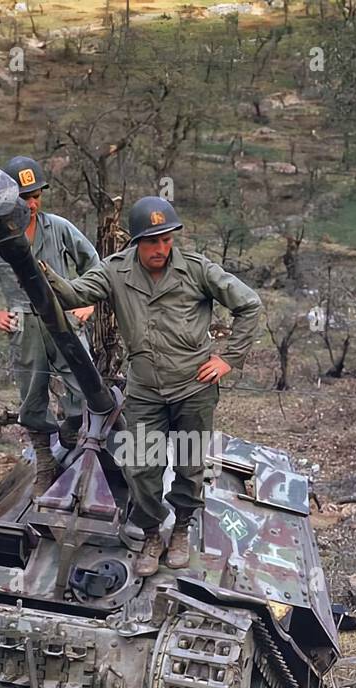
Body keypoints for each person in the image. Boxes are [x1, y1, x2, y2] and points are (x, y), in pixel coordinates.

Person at [42, 195, 262, 576]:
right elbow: (75, 294)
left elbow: (249, 304)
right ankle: (151, 533)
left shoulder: (197, 270)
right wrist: (41, 274)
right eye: (152, 241)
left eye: (167, 239)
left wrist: (228, 359)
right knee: (141, 467)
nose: (161, 248)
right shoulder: (115, 270)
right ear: (137, 242)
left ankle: (180, 528)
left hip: (193, 387)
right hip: (144, 391)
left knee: (190, 465)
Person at [0, 155, 99, 494]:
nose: (32, 203)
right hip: (24, 324)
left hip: (64, 316)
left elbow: (92, 262)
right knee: (32, 394)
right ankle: (44, 461)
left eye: (36, 195)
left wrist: (88, 301)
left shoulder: (59, 227)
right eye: (24, 197)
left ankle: (73, 432)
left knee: (84, 384)